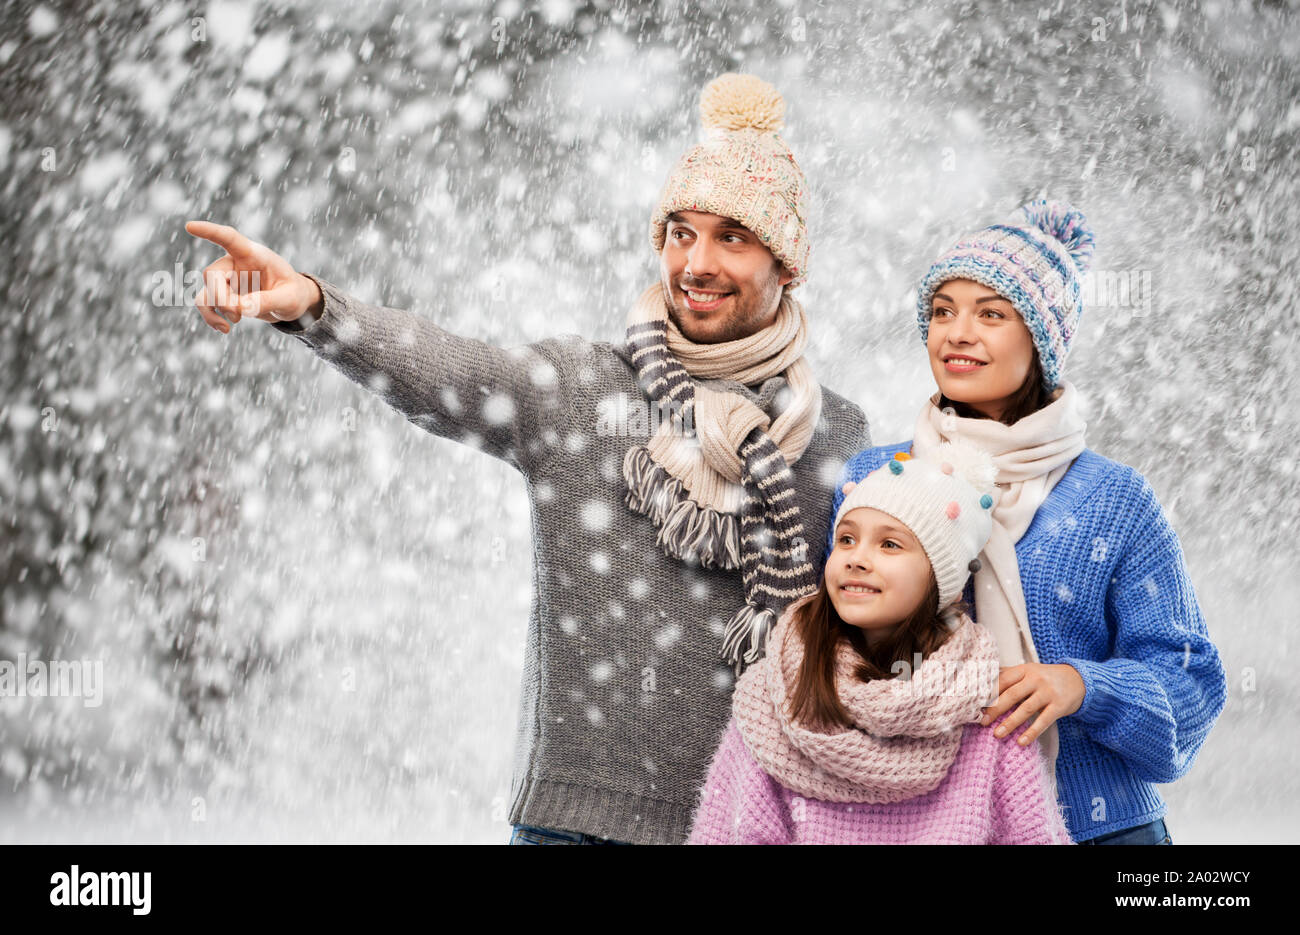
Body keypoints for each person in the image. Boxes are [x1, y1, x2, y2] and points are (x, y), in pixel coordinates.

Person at [184, 73, 870, 845]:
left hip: (752, 829)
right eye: (681, 232)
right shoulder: (584, 387)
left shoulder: (838, 436)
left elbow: (896, 621)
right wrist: (314, 304)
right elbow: (447, 371)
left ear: (786, 264)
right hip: (567, 828)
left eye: (732, 236)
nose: (696, 262)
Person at [826, 200, 1226, 844]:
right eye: (942, 311)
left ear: (1040, 340)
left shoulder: (1114, 498)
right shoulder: (878, 479)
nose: (957, 333)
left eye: (991, 313)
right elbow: (827, 653)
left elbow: (1191, 682)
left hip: (1101, 829)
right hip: (922, 823)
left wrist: (1082, 686)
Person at [687, 442, 1072, 844]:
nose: (856, 558)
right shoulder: (775, 696)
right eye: (847, 540)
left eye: (890, 544)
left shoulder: (987, 708)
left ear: (941, 580)